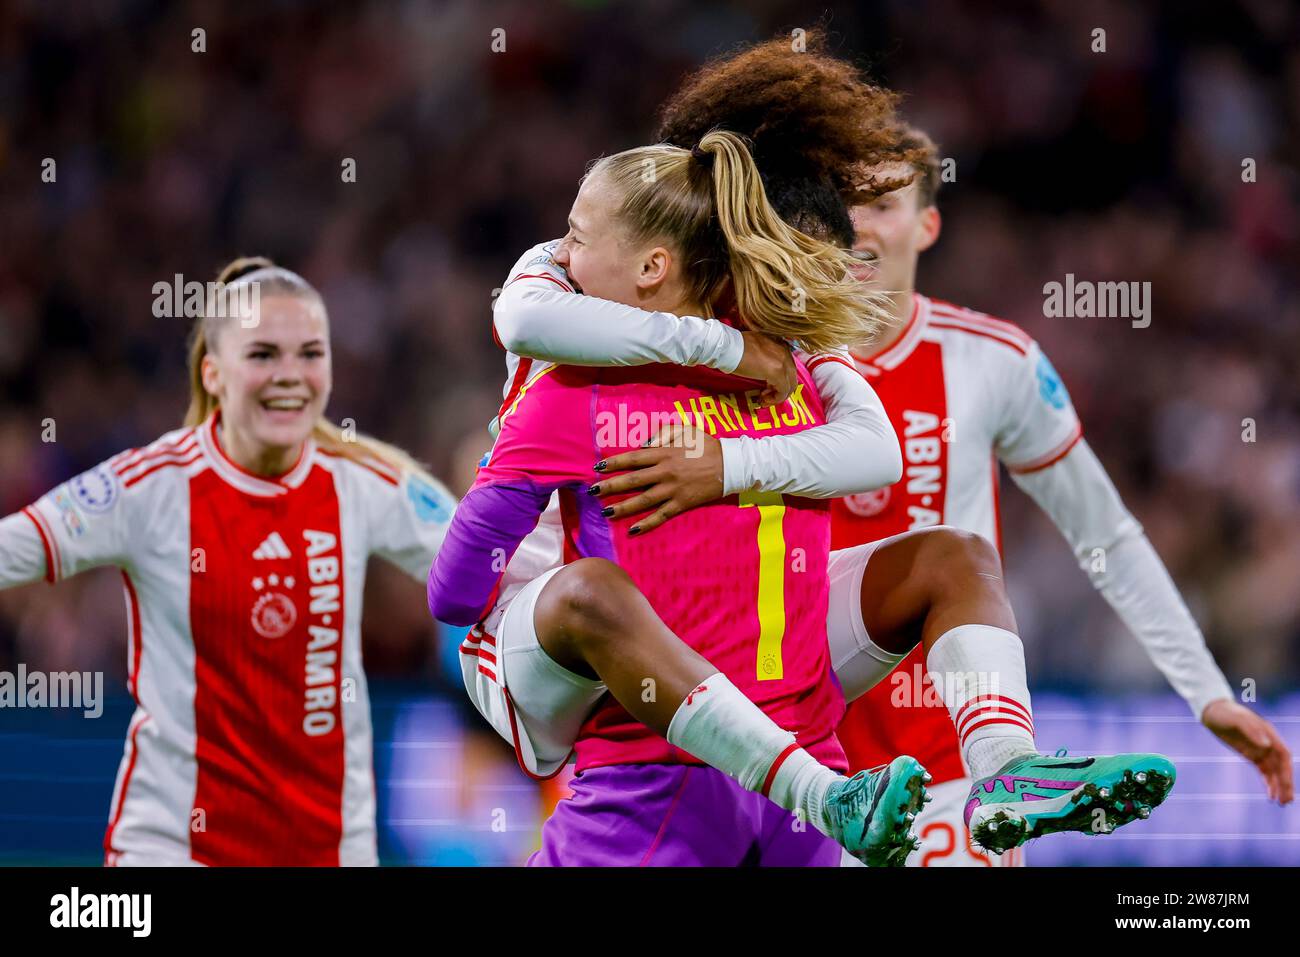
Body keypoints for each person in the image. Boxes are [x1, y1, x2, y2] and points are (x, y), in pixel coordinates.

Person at [485, 33, 1181, 862]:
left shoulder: (788, 316)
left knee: (953, 560)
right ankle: (818, 792)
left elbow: (875, 451)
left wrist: (724, 468)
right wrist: (721, 351)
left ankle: (1006, 770)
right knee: (595, 592)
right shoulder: (576, 264)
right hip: (549, 649)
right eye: (796, 255)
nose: (821, 280)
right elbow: (522, 320)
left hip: (720, 643)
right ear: (735, 234)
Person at [430, 131, 929, 867]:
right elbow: (875, 454)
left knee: (593, 595)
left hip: (644, 760)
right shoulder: (787, 371)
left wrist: (716, 462)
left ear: (656, 261)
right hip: (781, 734)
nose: (561, 254)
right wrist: (723, 362)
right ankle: (989, 765)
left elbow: (453, 592)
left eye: (575, 235)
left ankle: (831, 789)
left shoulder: (574, 386)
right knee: (949, 560)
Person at [821, 122, 1293, 864]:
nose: (859, 223)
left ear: (928, 223)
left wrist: (1205, 689)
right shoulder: (768, 355)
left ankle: (1010, 776)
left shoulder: (993, 360)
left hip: (952, 768)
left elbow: (1103, 533)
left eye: (883, 203)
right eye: (842, 202)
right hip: (804, 759)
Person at [0, 258, 457, 865]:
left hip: (328, 849)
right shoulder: (149, 487)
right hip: (172, 847)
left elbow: (487, 562)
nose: (290, 375)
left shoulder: (361, 480)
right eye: (263, 354)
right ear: (212, 373)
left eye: (310, 354)